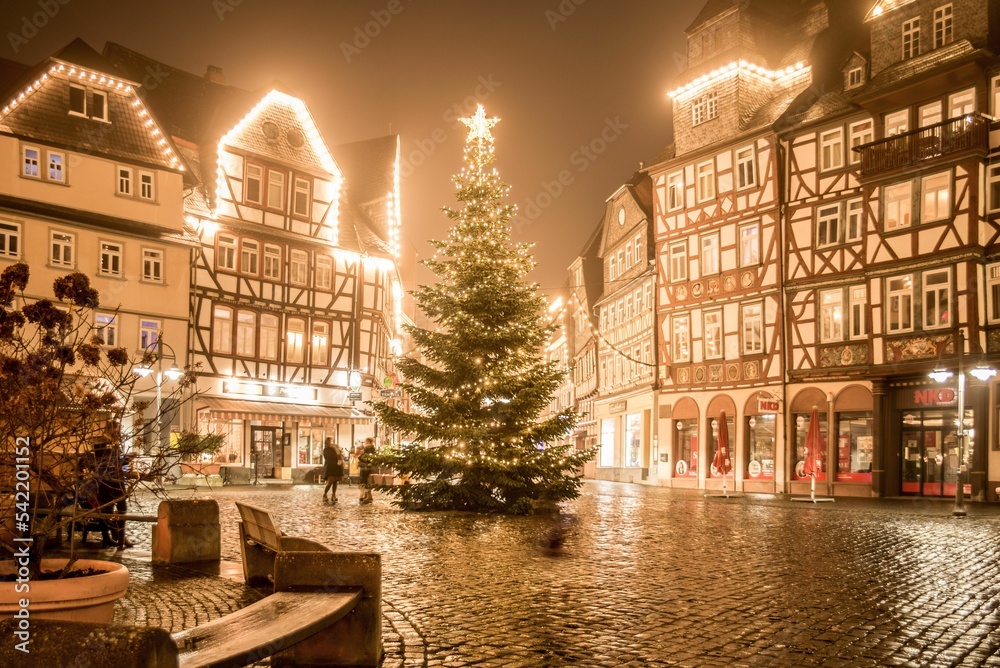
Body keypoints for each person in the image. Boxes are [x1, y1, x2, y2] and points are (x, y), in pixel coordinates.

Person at [322, 438, 343, 503]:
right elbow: (328, 456)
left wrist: (338, 450)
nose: (332, 442)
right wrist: (336, 453)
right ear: (327, 442)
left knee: (335, 481)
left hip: (337, 466)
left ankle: (333, 495)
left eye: (332, 441)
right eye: (330, 441)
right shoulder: (326, 449)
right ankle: (325, 494)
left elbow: (340, 456)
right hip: (330, 466)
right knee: (330, 481)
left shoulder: (336, 449)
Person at [358, 437, 376, 505]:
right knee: (366, 481)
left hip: (366, 467)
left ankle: (368, 497)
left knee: (365, 481)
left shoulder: (368, 449)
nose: (365, 443)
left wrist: (361, 453)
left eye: (366, 442)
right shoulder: (370, 449)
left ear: (369, 442)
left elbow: (361, 457)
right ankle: (367, 496)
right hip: (367, 466)